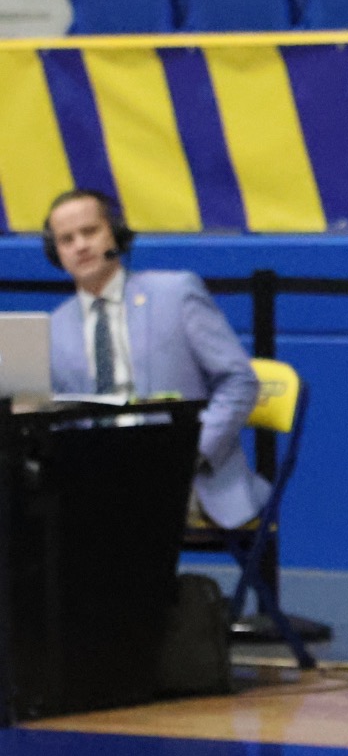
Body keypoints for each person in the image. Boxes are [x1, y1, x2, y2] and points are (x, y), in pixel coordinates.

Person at [42, 188, 271, 528]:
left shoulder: (176, 294)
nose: (80, 246)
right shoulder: (54, 328)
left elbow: (239, 381)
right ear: (56, 254)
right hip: (97, 477)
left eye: (90, 232)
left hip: (183, 475)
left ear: (116, 233)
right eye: (66, 240)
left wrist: (189, 452)